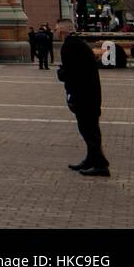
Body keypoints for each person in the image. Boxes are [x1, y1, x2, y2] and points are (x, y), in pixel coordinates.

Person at [54, 19, 109, 176]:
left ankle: (100, 165)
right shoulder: (77, 43)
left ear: (63, 30)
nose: (56, 32)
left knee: (89, 130)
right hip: (89, 94)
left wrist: (61, 74)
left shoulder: (70, 46)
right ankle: (92, 159)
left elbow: (72, 71)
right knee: (89, 129)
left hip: (83, 95)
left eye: (57, 29)